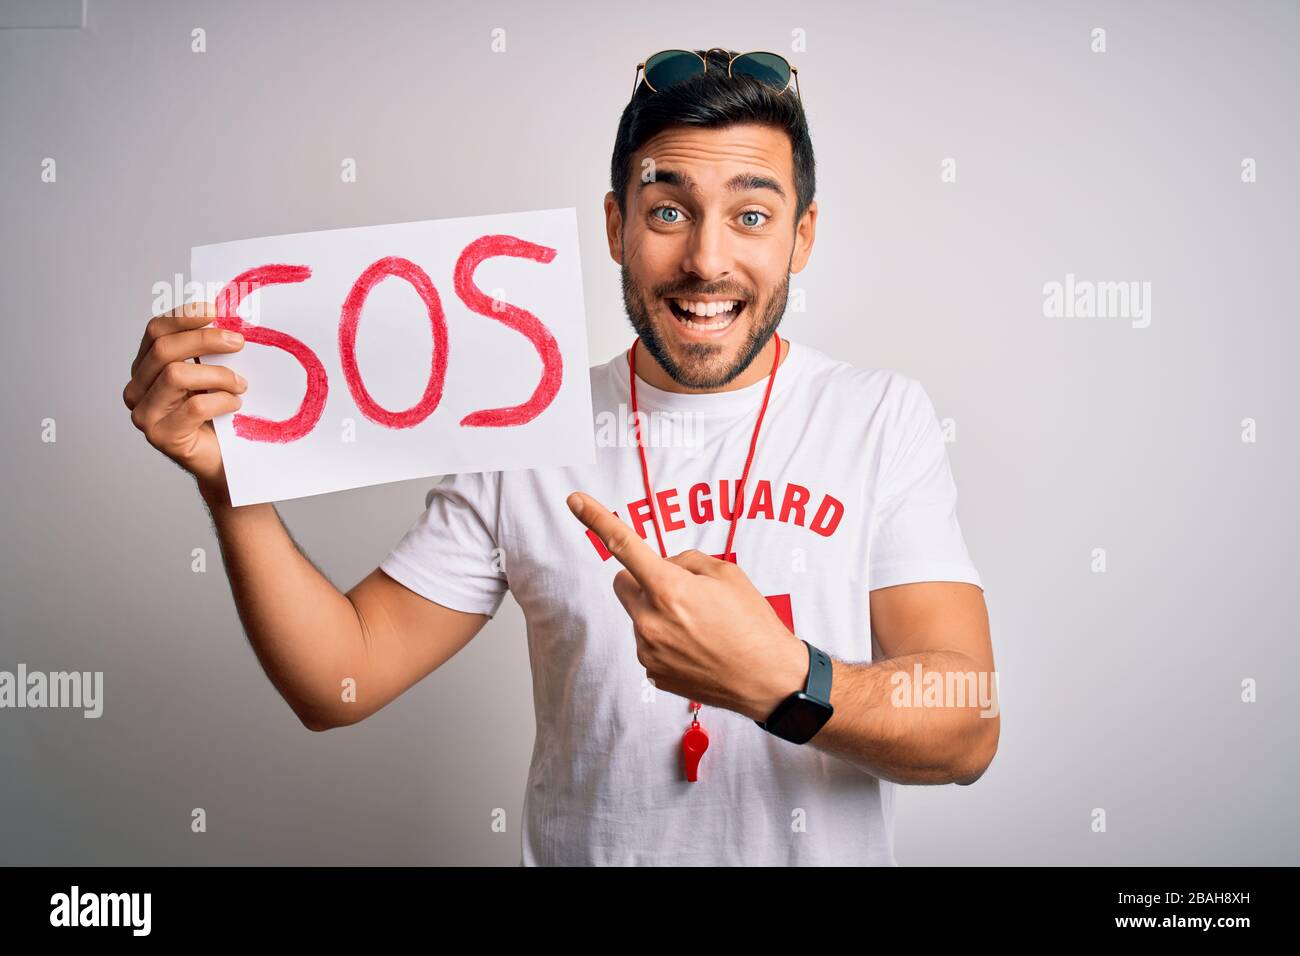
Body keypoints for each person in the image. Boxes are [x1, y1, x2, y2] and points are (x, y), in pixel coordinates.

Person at [122, 47, 997, 866]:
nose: (706, 258)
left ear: (801, 238)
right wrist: (231, 480)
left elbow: (966, 729)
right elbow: (339, 678)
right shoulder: (525, 427)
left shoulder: (878, 416)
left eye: (752, 215)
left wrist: (776, 677)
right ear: (615, 227)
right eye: (667, 210)